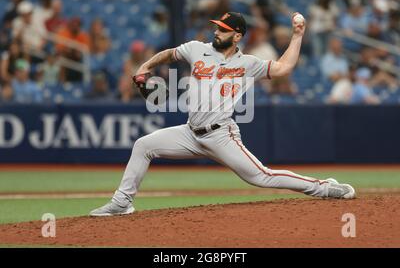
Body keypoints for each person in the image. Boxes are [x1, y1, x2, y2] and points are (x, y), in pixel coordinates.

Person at [90, 12, 356, 216]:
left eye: (224, 29)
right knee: (143, 145)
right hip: (190, 133)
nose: (217, 31)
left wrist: (297, 36)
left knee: (262, 176)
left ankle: (323, 187)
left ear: (237, 36)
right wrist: (146, 66)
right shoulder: (197, 49)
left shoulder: (247, 63)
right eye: (217, 27)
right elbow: (170, 54)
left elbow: (284, 68)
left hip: (221, 134)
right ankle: (122, 203)